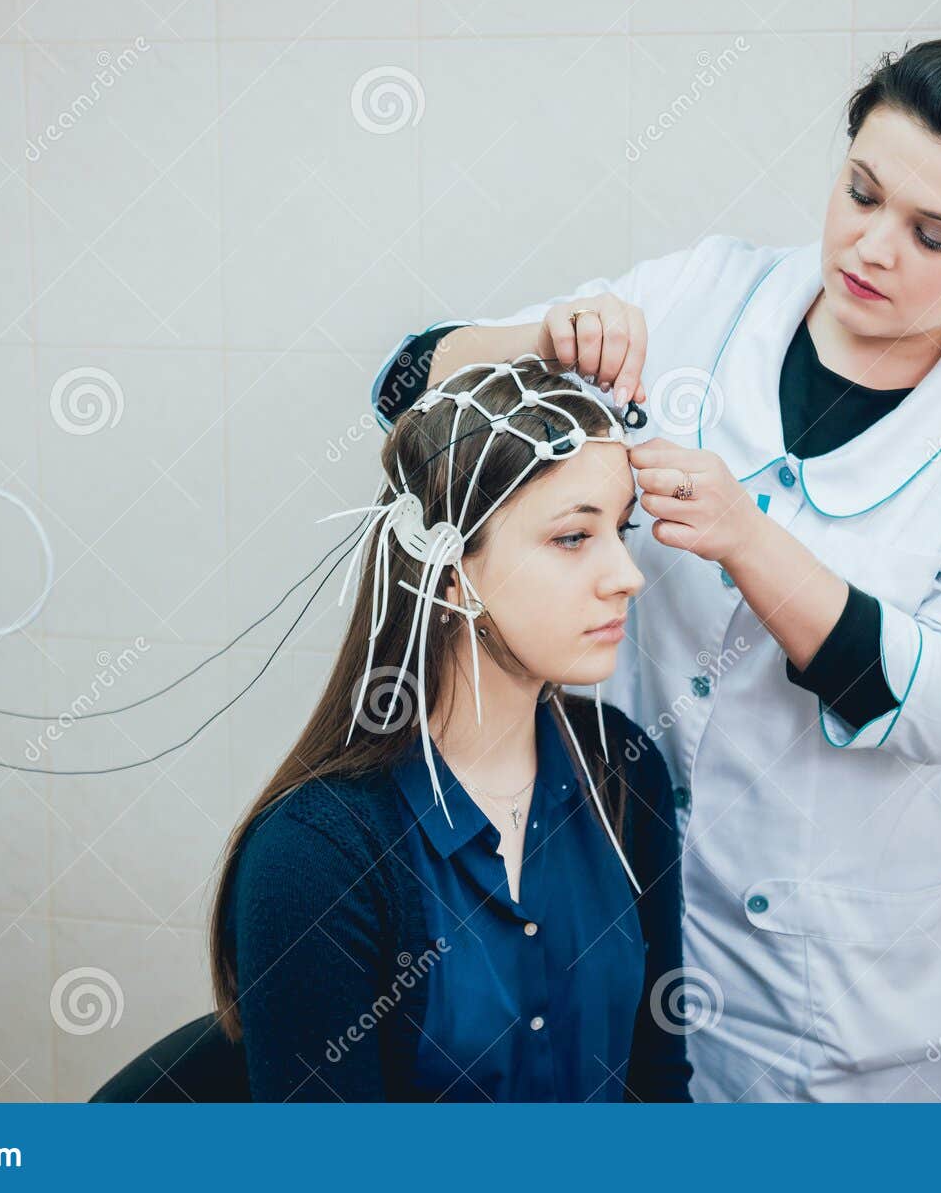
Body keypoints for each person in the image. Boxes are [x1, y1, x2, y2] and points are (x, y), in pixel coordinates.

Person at [367, 32, 941, 1102]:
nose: (871, 247)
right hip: (635, 952)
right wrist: (543, 331)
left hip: (876, 1010)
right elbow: (409, 392)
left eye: (933, 234)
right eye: (859, 192)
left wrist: (749, 540)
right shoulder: (703, 297)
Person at [208, 361, 693, 1102]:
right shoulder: (316, 857)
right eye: (573, 537)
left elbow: (656, 1085)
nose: (626, 574)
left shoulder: (622, 769)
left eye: (619, 531)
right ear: (450, 576)